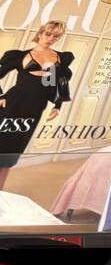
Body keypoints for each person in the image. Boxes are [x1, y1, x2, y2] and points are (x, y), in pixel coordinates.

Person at [0, 21, 73, 190]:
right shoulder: (19, 55)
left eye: (56, 36)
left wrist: (57, 105)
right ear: (40, 33)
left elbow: (57, 83)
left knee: (10, 155)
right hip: (11, 104)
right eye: (48, 34)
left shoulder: (60, 58)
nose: (51, 39)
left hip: (33, 109)